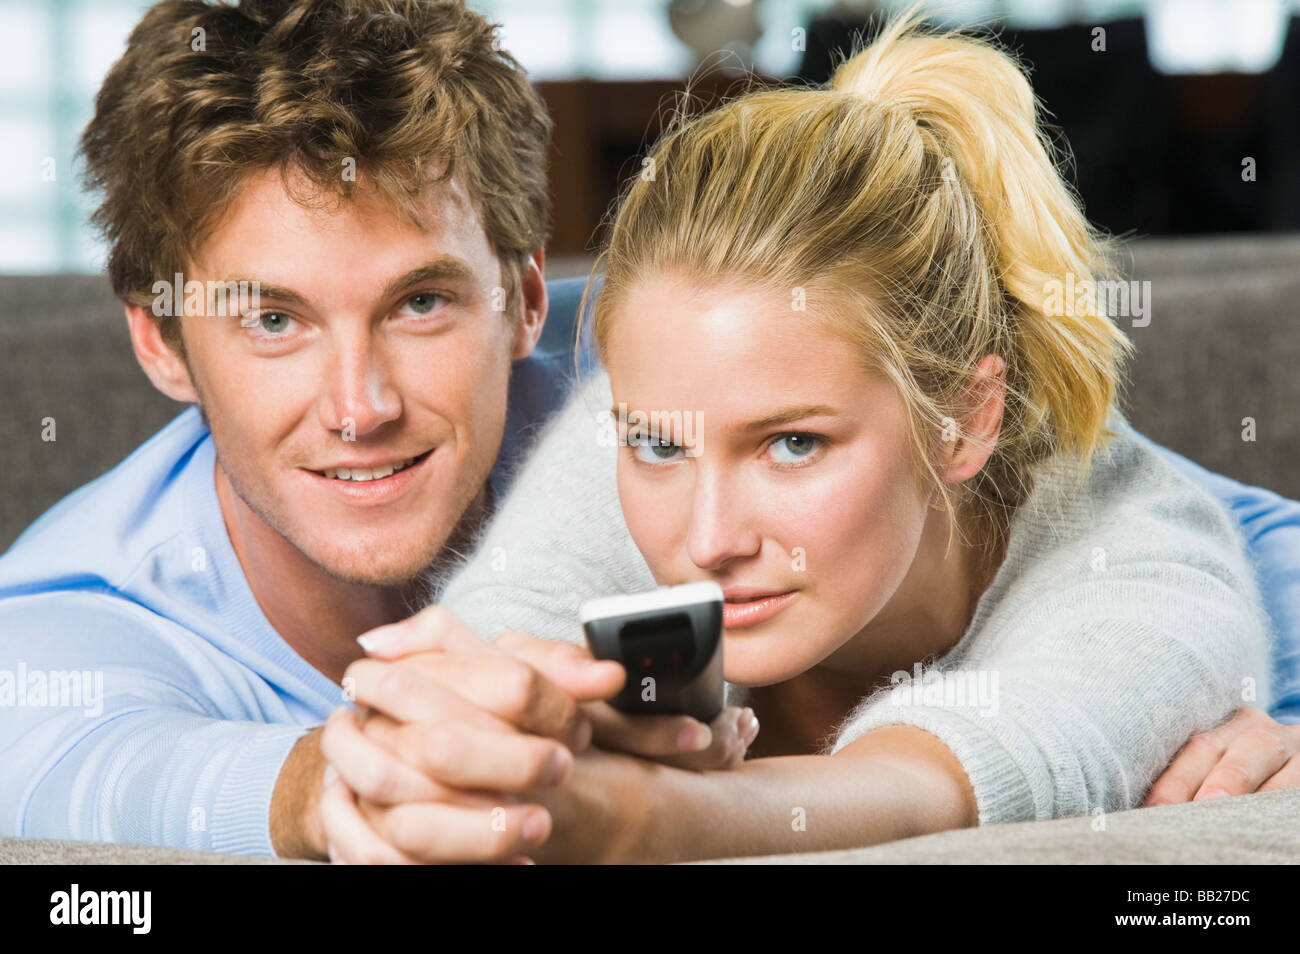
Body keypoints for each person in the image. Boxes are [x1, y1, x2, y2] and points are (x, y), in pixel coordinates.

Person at [320, 9, 1299, 864]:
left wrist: (638, 818)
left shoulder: (1137, 557)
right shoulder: (652, 427)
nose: (707, 540)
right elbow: (502, 637)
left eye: (793, 446)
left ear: (965, 419)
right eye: (656, 446)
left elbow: (941, 782)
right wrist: (457, 732)